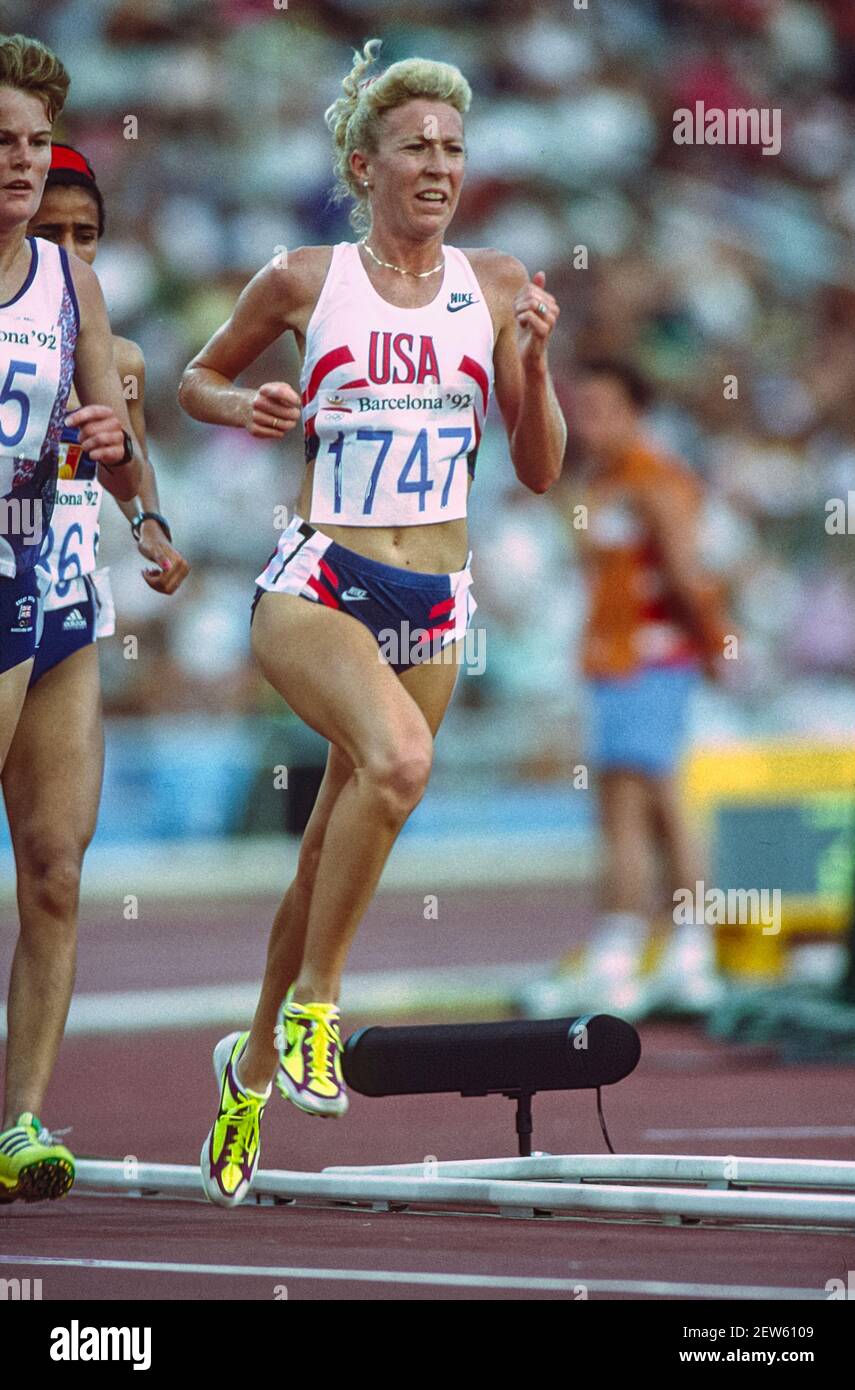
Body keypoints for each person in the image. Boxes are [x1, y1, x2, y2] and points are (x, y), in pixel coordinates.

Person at [179, 38, 566, 1207]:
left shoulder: (495, 283)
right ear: (367, 162)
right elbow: (197, 377)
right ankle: (315, 1009)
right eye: (417, 147)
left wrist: (536, 368)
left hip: (436, 598)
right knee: (401, 763)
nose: (439, 165)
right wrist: (244, 402)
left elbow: (543, 471)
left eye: (453, 147)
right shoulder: (304, 278)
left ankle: (246, 1068)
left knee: (330, 846)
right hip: (323, 581)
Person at [0, 141, 189, 1206]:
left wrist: (149, 519)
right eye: (55, 228)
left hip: (66, 597)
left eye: (86, 233)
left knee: (57, 873)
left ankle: (20, 1120)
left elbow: (119, 445)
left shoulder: (91, 316)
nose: (69, 247)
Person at [519, 360, 731, 1021]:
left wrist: (717, 646)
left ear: (636, 412)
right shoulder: (603, 481)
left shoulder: (653, 479)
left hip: (644, 662)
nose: (588, 422)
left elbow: (687, 575)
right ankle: (684, 951)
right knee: (661, 804)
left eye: (603, 409)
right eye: (583, 409)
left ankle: (621, 951)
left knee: (625, 807)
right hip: (623, 663)